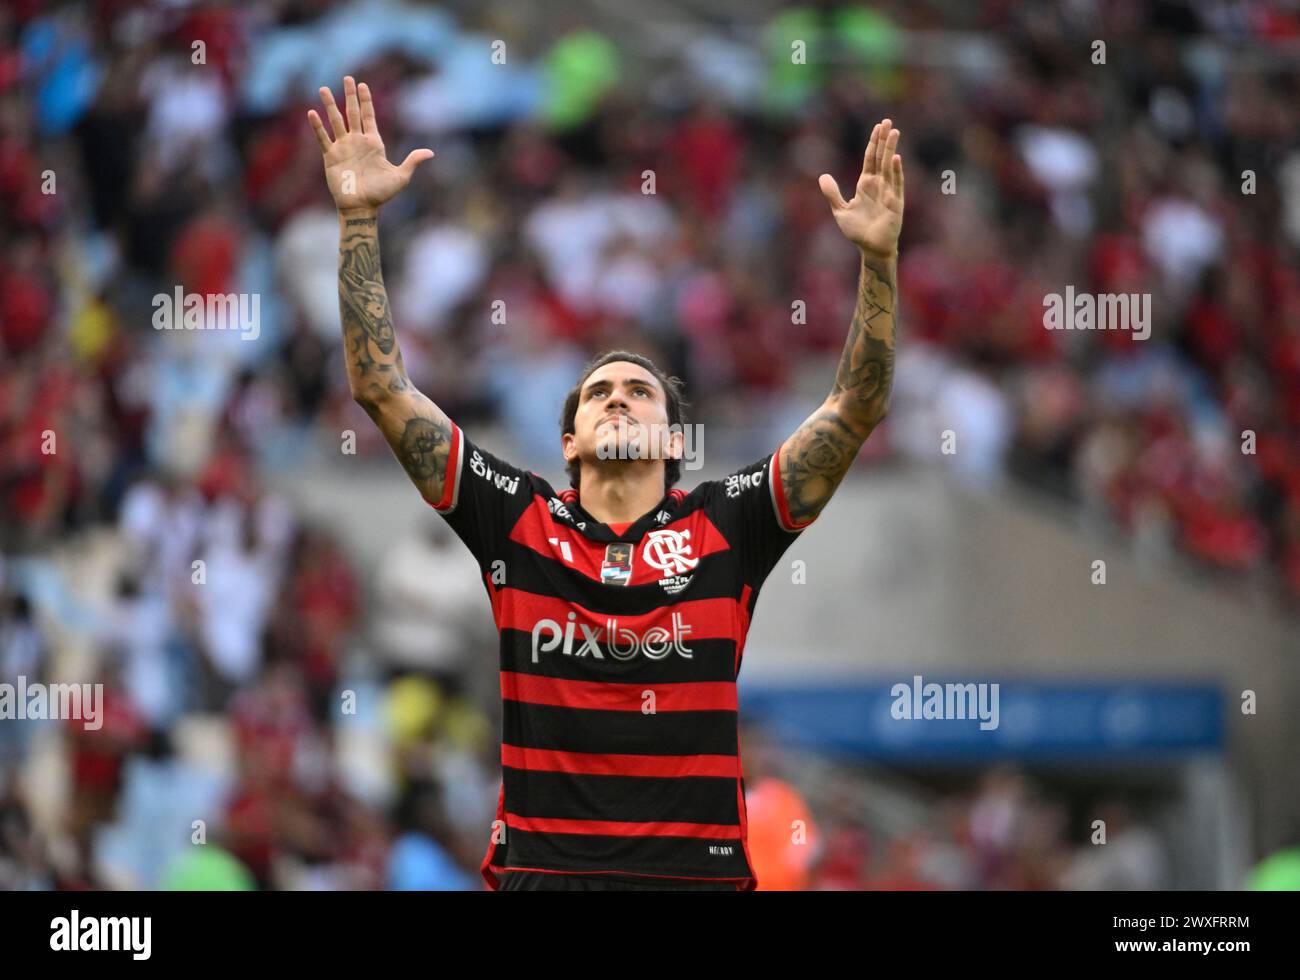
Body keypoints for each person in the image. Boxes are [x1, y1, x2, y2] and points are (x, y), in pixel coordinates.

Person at [307, 76, 904, 890]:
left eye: (640, 391)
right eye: (599, 392)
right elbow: (381, 386)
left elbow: (857, 405)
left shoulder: (729, 526)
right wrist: (358, 220)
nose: (619, 397)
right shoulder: (516, 518)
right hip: (546, 873)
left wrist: (876, 261)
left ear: (671, 438)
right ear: (570, 442)